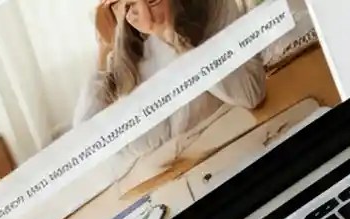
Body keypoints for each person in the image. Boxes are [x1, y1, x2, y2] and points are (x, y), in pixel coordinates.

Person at [74, 0, 267, 158]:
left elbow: (251, 94)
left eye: (153, 1)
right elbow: (85, 143)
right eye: (130, 5)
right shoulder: (124, 49)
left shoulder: (214, 8)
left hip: (231, 154)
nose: (148, 20)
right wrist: (104, 48)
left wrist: (174, 39)